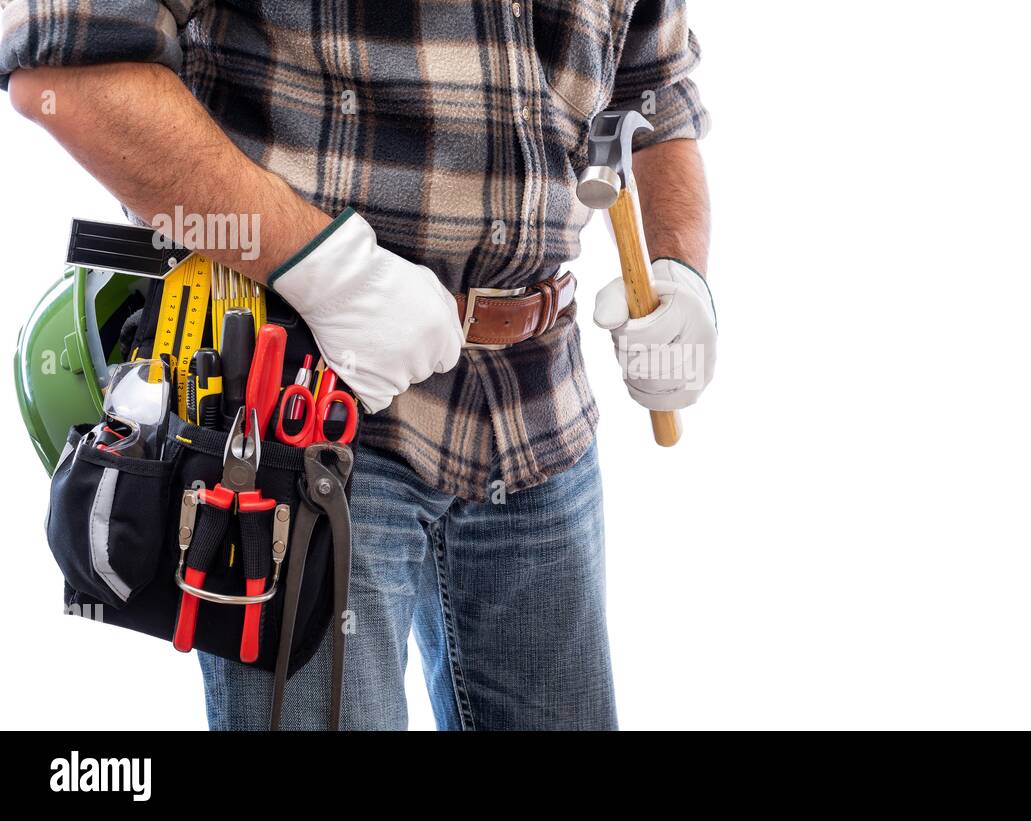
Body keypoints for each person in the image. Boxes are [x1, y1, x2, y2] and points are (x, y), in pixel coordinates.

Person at [1, 0, 715, 730]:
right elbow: (62, 66)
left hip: (538, 413)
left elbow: (655, 92)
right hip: (298, 418)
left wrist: (680, 269)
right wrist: (329, 271)